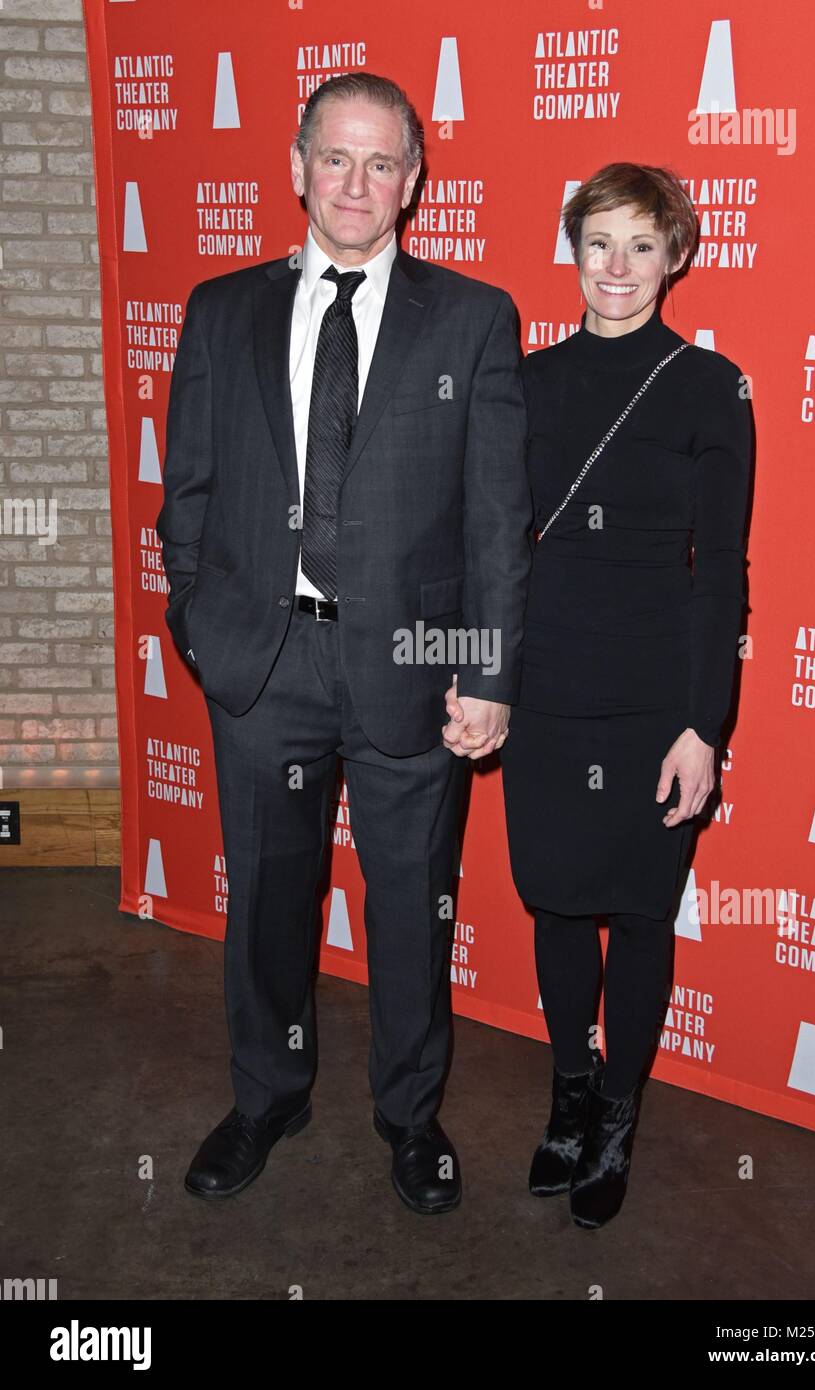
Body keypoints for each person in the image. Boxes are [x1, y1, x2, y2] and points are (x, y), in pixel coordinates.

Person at [156, 72, 531, 1215]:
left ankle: (409, 1117)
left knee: (411, 900)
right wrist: (205, 629)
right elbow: (190, 495)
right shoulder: (222, 308)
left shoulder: (471, 317)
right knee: (268, 896)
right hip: (263, 668)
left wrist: (484, 668)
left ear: (414, 182)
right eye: (335, 157)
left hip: (414, 664)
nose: (356, 184)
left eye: (381, 163)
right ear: (295, 165)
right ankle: (266, 1093)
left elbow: (493, 516)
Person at [449, 162, 753, 1229]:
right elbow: (488, 544)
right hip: (544, 689)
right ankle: (566, 1099)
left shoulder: (710, 387)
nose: (615, 267)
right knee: (558, 902)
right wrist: (481, 674)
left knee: (636, 909)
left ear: (675, 255)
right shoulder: (525, 380)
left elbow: (718, 568)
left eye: (639, 245)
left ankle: (617, 1114)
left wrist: (699, 724)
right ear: (570, 252)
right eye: (597, 243)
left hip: (649, 699)